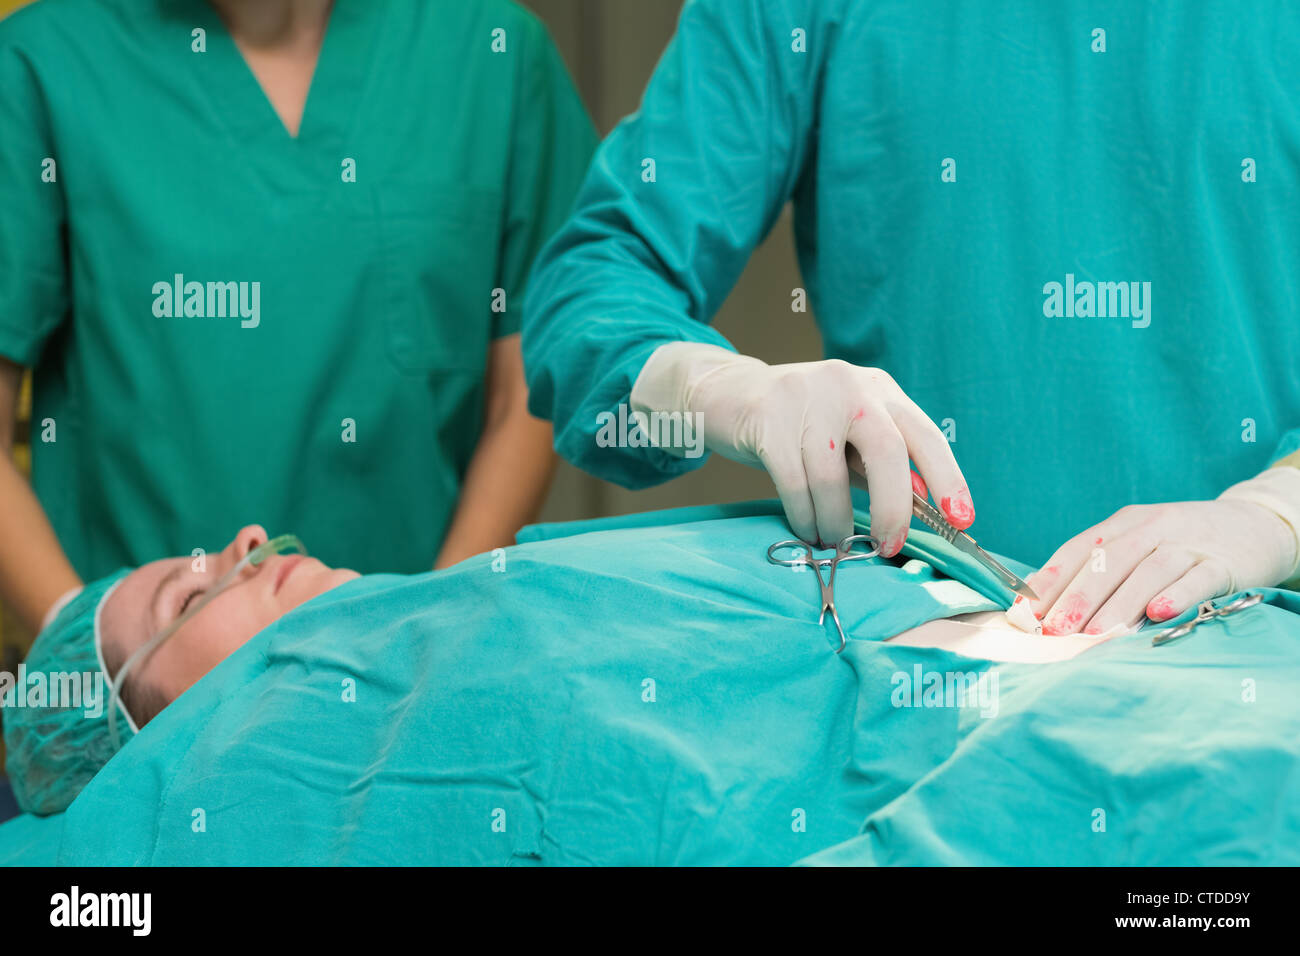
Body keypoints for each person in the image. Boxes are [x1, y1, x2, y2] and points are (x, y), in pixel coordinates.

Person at [521, 0, 1300, 638]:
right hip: (926, 663)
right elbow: (591, 284)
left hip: (1248, 684)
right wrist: (720, 389)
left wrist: (1276, 514)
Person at [5, 509, 1297, 866]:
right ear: (144, 743)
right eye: (185, 599)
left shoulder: (500, 585)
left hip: (1201, 654)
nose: (246, 545)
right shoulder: (260, 770)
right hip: (1141, 768)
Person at [0, 0, 596, 636]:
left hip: (406, 674)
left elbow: (526, 395)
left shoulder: (493, 55)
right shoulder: (41, 64)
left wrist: (429, 640)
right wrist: (100, 665)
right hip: (145, 708)